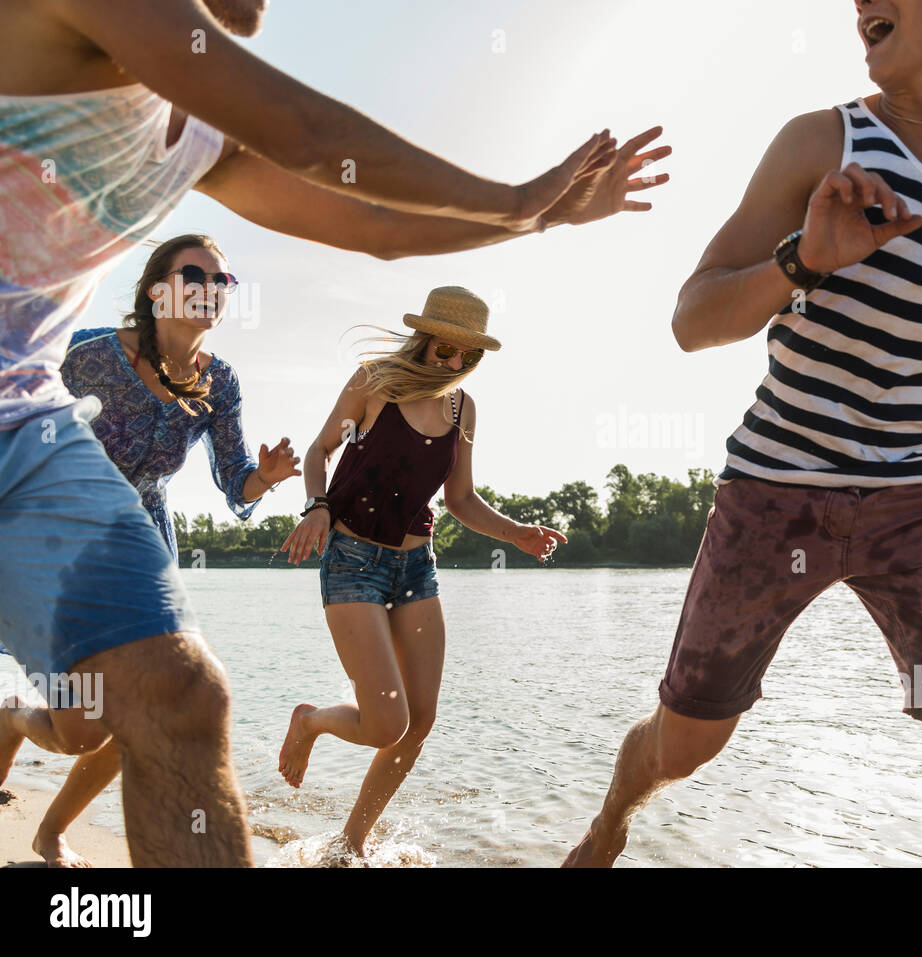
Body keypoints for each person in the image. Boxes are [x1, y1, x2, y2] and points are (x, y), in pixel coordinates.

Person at [0, 0, 666, 866]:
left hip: (23, 424)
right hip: (60, 437)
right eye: (191, 274)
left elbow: (378, 226)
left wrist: (538, 219)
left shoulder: (203, 140)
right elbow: (309, 129)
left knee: (169, 699)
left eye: (220, 276)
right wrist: (518, 195)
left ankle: (19, 725)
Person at [565, 0, 922, 867]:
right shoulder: (821, 144)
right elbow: (691, 318)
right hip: (775, 491)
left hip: (921, 507)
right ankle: (609, 823)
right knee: (685, 744)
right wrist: (800, 261)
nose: (859, 3)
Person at [5, 234, 293, 868]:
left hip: (140, 547)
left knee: (156, 702)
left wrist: (265, 478)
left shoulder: (221, 381)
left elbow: (233, 480)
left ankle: (50, 831)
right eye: (195, 274)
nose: (210, 289)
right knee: (81, 726)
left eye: (222, 281)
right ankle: (13, 720)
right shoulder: (89, 354)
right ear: (156, 288)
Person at [277, 286, 565, 862]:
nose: (455, 363)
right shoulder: (373, 382)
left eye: (469, 356)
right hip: (353, 561)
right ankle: (310, 721)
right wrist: (317, 504)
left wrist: (518, 533)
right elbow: (317, 452)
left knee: (421, 719)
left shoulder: (464, 408)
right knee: (387, 722)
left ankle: (351, 840)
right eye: (446, 350)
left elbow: (461, 498)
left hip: (416, 567)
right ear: (424, 338)